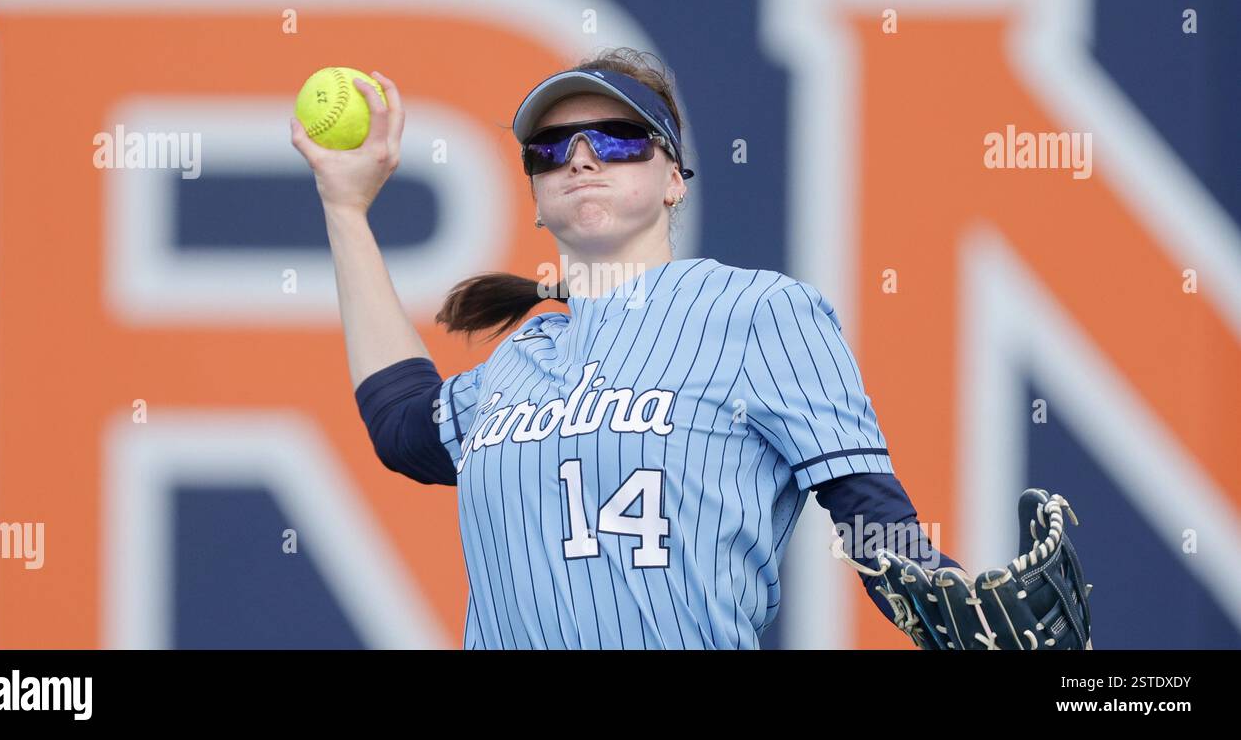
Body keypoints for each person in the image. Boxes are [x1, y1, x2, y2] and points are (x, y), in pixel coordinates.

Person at [289, 47, 959, 649]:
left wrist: (961, 618)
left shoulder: (758, 310)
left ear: (674, 179)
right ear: (535, 198)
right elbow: (401, 424)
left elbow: (869, 514)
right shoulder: (518, 362)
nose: (580, 156)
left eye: (617, 139)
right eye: (550, 148)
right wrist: (344, 209)